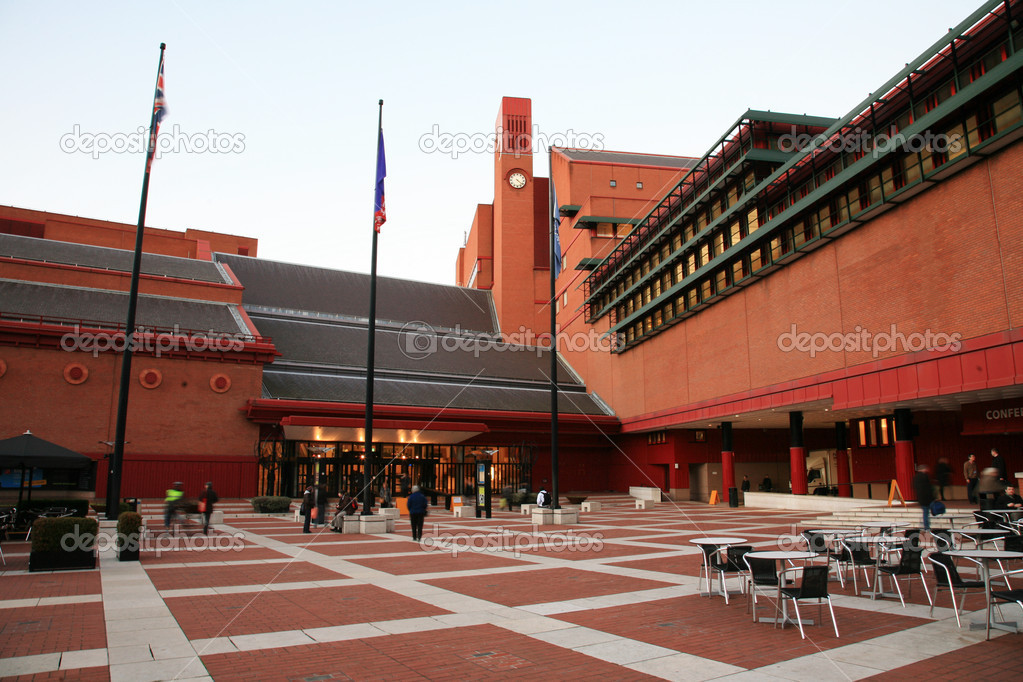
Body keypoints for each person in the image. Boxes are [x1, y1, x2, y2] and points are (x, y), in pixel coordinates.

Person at [912, 464, 935, 531]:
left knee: (925, 512)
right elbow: (928, 488)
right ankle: (927, 526)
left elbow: (914, 486)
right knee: (926, 512)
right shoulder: (925, 476)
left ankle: (926, 526)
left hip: (921, 498)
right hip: (927, 498)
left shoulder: (915, 477)